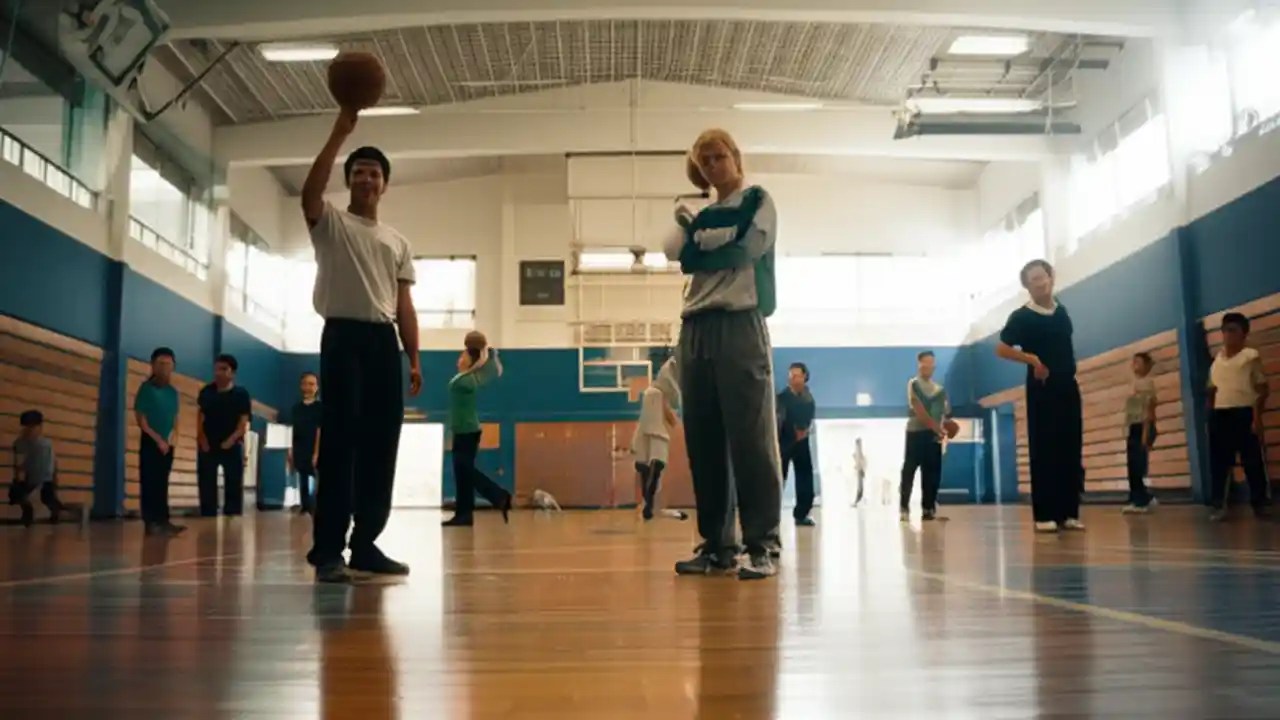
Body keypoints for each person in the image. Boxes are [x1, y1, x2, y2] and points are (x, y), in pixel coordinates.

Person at [300, 106, 421, 582]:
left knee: (381, 444)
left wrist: (412, 357)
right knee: (341, 443)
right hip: (343, 338)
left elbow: (404, 304)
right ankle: (328, 551)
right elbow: (310, 191)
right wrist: (339, 132)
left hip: (383, 342)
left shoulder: (396, 240)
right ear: (349, 181)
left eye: (374, 173)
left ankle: (366, 542)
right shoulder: (330, 222)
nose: (367, 179)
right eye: (358, 173)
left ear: (384, 184)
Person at [662, 128, 782, 581]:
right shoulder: (703, 214)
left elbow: (748, 248)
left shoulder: (757, 200)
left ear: (735, 156)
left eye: (719, 156)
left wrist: (701, 247)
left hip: (739, 323)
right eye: (704, 160)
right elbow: (687, 255)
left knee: (751, 439)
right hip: (695, 327)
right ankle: (717, 546)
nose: (713, 165)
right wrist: (708, 245)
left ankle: (762, 545)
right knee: (703, 441)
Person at [995, 260, 1084, 534]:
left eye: (1043, 276)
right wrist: (1030, 359)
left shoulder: (1062, 311)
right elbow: (1002, 348)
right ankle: (1044, 514)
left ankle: (1069, 512)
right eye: (1033, 279)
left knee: (1070, 448)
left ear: (1051, 277)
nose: (1040, 282)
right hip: (1042, 389)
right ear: (1027, 285)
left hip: (1068, 386)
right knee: (1044, 450)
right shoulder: (1022, 316)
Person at [1206, 312, 1271, 522]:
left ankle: (1260, 503)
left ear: (1244, 333)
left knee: (1252, 461)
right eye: (1224, 331)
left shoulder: (1251, 357)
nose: (1227, 335)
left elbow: (1262, 389)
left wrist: (1257, 417)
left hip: (1244, 413)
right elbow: (1212, 389)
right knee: (1219, 463)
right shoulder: (1216, 360)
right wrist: (1211, 413)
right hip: (1220, 414)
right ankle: (1219, 505)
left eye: (1233, 330)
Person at [443, 344, 512, 527]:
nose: (459, 359)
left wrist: (486, 356)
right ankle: (464, 515)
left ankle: (499, 495)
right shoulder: (466, 378)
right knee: (461, 474)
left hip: (468, 431)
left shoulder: (468, 379)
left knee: (465, 470)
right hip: (462, 430)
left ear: (471, 362)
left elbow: (488, 370)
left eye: (463, 356)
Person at [135, 347, 185, 536]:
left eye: (168, 364)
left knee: (162, 482)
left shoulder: (173, 392)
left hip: (167, 443)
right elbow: (141, 420)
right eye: (161, 364)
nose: (165, 368)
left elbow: (174, 417)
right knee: (150, 481)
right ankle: (151, 521)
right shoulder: (146, 389)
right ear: (153, 366)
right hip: (151, 442)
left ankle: (163, 520)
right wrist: (157, 440)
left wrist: (173, 437)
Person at [196, 354, 252, 517]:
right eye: (216, 369)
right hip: (208, 444)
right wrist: (201, 437)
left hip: (232, 444)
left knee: (233, 483)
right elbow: (200, 416)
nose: (219, 373)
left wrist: (232, 439)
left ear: (232, 373)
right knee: (206, 482)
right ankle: (208, 513)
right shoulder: (207, 392)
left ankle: (232, 515)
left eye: (224, 369)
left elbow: (243, 421)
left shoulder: (241, 394)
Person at [901, 350, 950, 522]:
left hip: (934, 437)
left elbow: (945, 413)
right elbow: (919, 410)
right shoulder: (913, 384)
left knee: (932, 473)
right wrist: (935, 427)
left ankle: (928, 508)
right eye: (925, 362)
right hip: (916, 433)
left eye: (931, 362)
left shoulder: (940, 390)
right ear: (919, 364)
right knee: (909, 470)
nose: (928, 366)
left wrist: (944, 428)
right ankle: (904, 507)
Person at [633, 356, 681, 520]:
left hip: (645, 434)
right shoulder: (657, 393)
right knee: (656, 463)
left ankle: (648, 503)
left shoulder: (651, 392)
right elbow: (669, 415)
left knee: (645, 464)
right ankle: (648, 503)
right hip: (654, 431)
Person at [8, 410, 69, 527]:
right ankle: (27, 510)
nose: (29, 430)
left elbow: (49, 467)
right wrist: (19, 479)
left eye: (32, 427)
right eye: (26, 427)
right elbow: (18, 463)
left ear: (40, 428)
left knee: (47, 496)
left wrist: (45, 483)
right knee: (15, 492)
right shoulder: (19, 443)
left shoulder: (45, 445)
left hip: (45, 478)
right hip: (28, 476)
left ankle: (55, 510)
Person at [777, 362, 817, 527]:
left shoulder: (809, 398)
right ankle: (771, 518)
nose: (793, 379)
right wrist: (792, 432)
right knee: (778, 479)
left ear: (805, 377)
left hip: (802, 443)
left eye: (797, 375)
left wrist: (804, 430)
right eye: (791, 375)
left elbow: (809, 418)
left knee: (805, 478)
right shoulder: (782, 398)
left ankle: (801, 514)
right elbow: (779, 420)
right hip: (784, 443)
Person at [1122, 352, 1159, 514]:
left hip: (1141, 426)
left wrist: (1146, 431)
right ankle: (1140, 496)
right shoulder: (1134, 383)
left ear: (1146, 365)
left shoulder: (1146, 383)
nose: (1134, 364)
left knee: (1137, 465)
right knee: (1132, 464)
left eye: (1138, 362)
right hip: (1133, 426)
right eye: (1133, 361)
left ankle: (1140, 501)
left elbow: (1148, 408)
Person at [288, 371, 322, 515]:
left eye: (311, 384)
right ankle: (305, 505)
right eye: (305, 384)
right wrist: (290, 451)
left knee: (316, 478)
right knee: (301, 477)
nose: (308, 387)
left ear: (317, 387)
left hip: (314, 447)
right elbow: (293, 430)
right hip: (299, 448)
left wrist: (316, 452)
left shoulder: (320, 408)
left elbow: (319, 430)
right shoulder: (296, 408)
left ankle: (316, 506)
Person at [852, 438, 867, 507]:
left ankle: (857, 500)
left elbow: (861, 461)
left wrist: (861, 469)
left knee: (860, 487)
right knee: (860, 486)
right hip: (859, 470)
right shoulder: (858, 452)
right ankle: (857, 500)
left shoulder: (859, 452)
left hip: (859, 471)